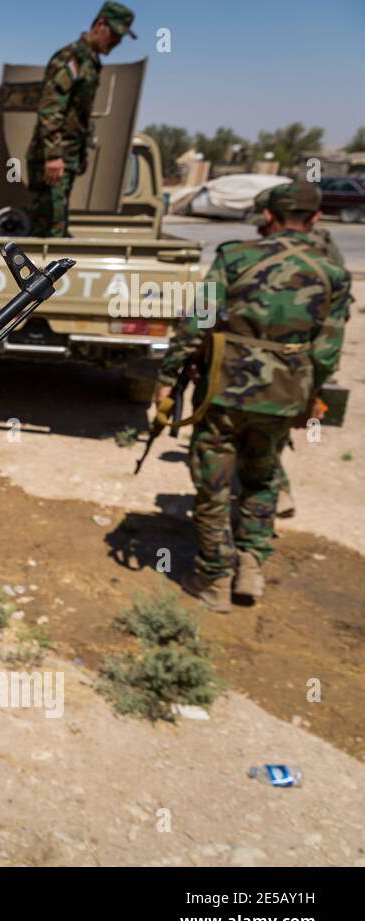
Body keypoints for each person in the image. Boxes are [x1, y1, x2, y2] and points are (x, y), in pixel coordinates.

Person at [155, 182, 351, 612]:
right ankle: (250, 565)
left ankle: (213, 578)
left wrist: (168, 377)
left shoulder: (235, 257)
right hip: (284, 396)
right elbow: (328, 350)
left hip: (225, 391)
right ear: (315, 219)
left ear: (269, 216)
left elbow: (198, 321)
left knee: (213, 484)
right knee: (263, 478)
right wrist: (308, 396)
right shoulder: (332, 272)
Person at [247, 186, 353, 519]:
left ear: (269, 217)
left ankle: (269, 496)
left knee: (252, 440)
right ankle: (270, 497)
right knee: (269, 433)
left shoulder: (241, 255)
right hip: (301, 363)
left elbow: (204, 313)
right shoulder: (327, 256)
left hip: (259, 364)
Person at [26, 2, 136, 238]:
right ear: (99, 25)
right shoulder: (72, 58)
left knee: (58, 222)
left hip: (69, 154)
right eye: (115, 34)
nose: (117, 42)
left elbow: (80, 114)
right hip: (53, 156)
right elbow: (51, 107)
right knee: (50, 228)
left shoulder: (90, 61)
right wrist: (54, 155)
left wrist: (81, 152)